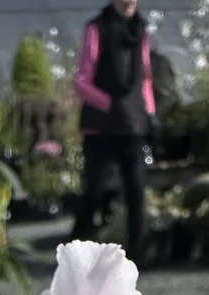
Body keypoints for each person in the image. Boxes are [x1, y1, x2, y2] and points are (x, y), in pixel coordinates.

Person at [72, 0, 155, 266]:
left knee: (136, 191)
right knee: (95, 190)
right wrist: (110, 105)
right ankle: (76, 251)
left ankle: (136, 255)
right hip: (101, 124)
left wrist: (150, 112)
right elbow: (81, 81)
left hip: (132, 124)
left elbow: (145, 77)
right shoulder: (97, 28)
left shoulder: (140, 29)